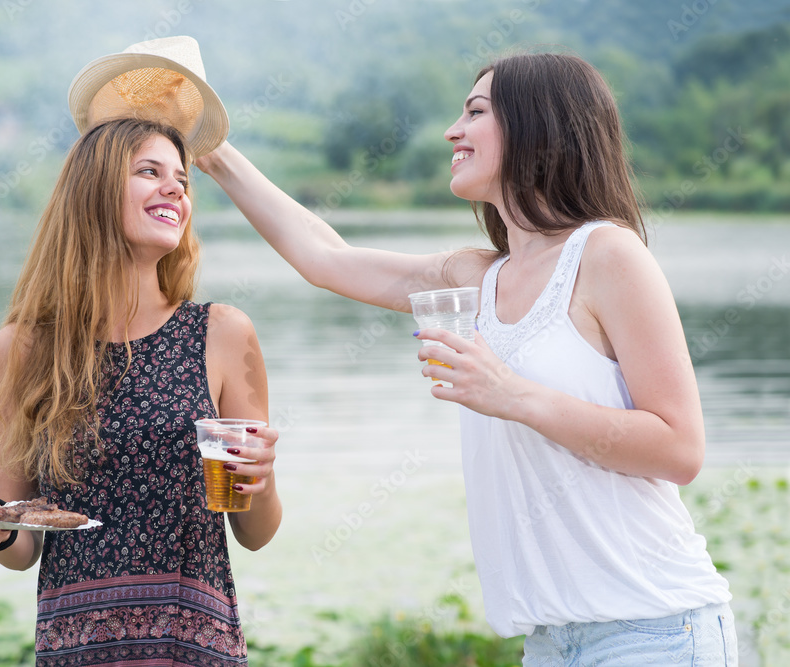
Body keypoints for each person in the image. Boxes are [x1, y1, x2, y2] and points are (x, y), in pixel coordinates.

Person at [195, 51, 738, 665]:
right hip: (550, 643)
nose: (453, 131)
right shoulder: (477, 278)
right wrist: (213, 150)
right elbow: (325, 258)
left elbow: (680, 449)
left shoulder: (607, 255)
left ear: (539, 126)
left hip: (654, 630)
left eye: (476, 112)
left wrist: (512, 394)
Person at [0, 117, 281, 666]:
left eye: (182, 180)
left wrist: (260, 481)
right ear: (93, 190)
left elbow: (255, 532)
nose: (175, 189)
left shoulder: (222, 332)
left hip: (193, 646)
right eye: (149, 172)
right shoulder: (21, 349)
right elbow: (25, 541)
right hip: (77, 649)